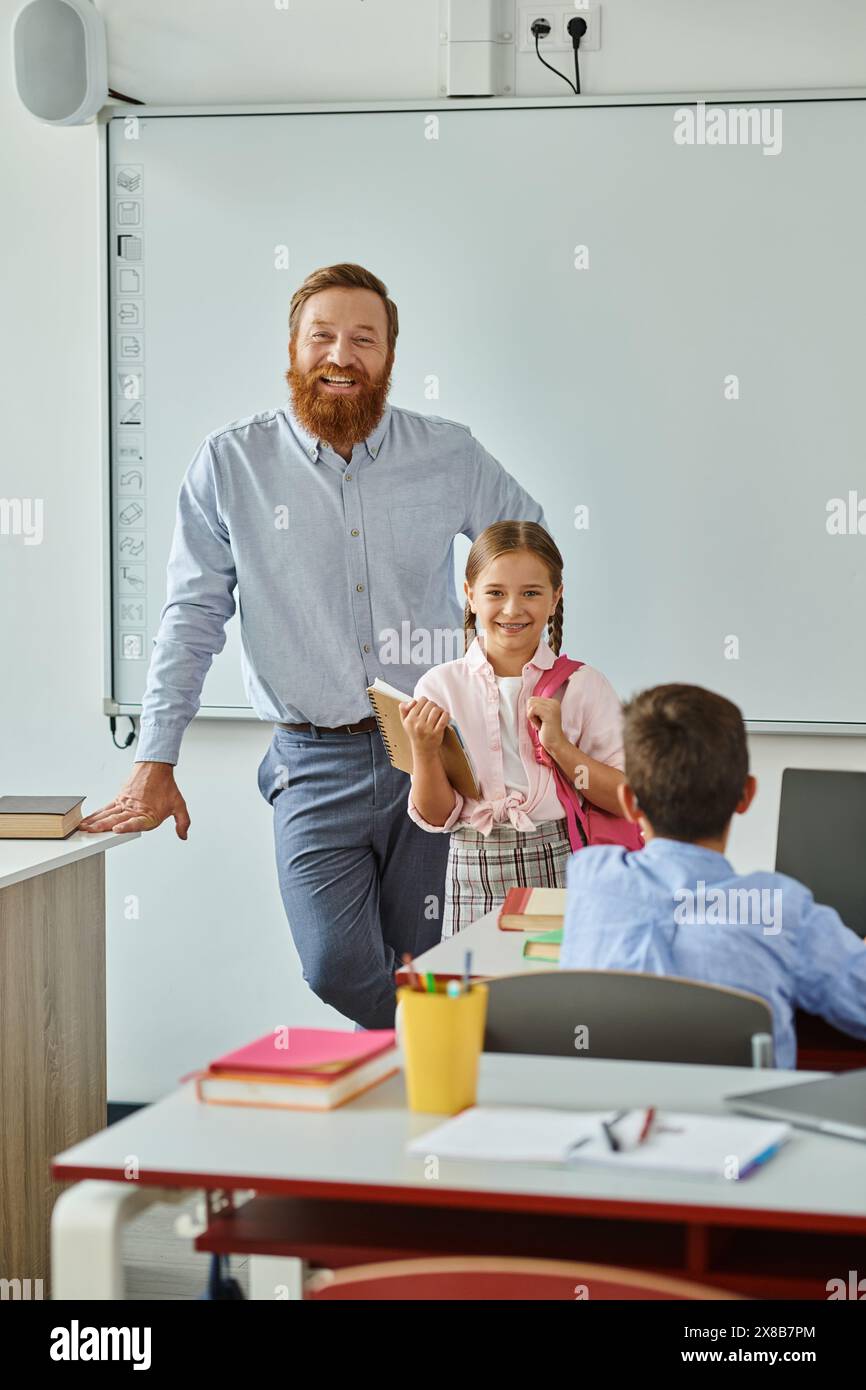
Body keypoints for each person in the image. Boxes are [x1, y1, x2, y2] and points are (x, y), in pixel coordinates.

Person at [79, 263, 545, 1029]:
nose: (341, 354)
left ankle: (427, 1112)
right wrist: (154, 759)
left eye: (364, 338)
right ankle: (439, 1048)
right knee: (335, 964)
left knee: (431, 953)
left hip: (429, 749)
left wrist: (490, 672)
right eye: (322, 336)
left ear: (390, 356)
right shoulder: (232, 465)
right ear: (292, 351)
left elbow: (530, 551)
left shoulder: (449, 454)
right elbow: (192, 616)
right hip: (309, 759)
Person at [560, 683, 866, 1067]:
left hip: (616, 1120)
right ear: (747, 796)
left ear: (628, 801)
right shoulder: (784, 912)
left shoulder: (592, 878)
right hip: (744, 1125)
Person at [400, 521, 626, 936]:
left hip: (559, 857)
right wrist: (425, 752)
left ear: (556, 597)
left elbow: (626, 797)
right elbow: (436, 816)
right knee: (478, 995)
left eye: (532, 593)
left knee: (553, 997)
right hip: (470, 864)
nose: (512, 609)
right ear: (469, 596)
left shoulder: (584, 686)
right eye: (495, 593)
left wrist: (560, 747)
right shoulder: (438, 686)